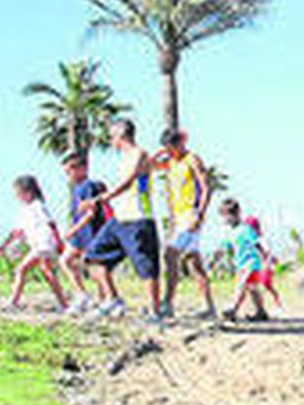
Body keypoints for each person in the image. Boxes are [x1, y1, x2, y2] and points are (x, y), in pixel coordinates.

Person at [80, 119, 162, 321]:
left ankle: (154, 312)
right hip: (119, 219)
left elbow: (128, 182)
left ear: (121, 136)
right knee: (92, 257)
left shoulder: (139, 154)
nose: (110, 141)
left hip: (138, 219)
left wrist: (99, 199)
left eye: (111, 136)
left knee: (146, 268)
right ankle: (112, 299)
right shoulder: (123, 158)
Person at [152, 128, 215, 319]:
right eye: (166, 147)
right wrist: (161, 152)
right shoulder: (170, 162)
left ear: (180, 143)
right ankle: (209, 306)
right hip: (177, 217)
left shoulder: (192, 159)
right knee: (193, 262)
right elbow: (149, 164)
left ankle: (167, 303)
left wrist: (200, 213)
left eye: (171, 146)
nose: (169, 151)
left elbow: (205, 187)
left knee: (170, 254)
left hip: (190, 214)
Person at [0, 175, 69, 311]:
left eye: (19, 193)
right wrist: (4, 245)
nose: (17, 196)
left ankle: (13, 302)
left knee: (22, 269)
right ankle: (64, 304)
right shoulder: (24, 210)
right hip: (37, 245)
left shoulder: (38, 206)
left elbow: (51, 223)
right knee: (47, 273)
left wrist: (59, 241)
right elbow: (17, 231)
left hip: (44, 243)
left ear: (28, 192)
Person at [59, 152, 106, 313]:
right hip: (79, 235)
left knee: (95, 268)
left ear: (83, 168)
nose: (70, 173)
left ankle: (104, 300)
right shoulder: (75, 189)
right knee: (65, 261)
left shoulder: (88, 186)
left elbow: (90, 214)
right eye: (67, 170)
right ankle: (81, 294)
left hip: (90, 232)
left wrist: (72, 230)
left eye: (73, 168)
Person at [214, 198, 268, 322]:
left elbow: (257, 243)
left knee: (242, 286)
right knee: (252, 289)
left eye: (229, 215)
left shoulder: (246, 229)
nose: (226, 219)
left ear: (237, 214)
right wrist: (216, 258)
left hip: (252, 263)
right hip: (241, 265)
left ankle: (233, 309)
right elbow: (224, 247)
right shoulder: (230, 233)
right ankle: (261, 311)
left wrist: (264, 255)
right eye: (224, 216)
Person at [244, 215, 283, 312]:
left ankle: (277, 305)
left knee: (266, 286)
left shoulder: (259, 239)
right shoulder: (253, 238)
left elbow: (265, 252)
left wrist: (266, 262)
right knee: (254, 286)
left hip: (264, 267)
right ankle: (261, 307)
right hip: (258, 266)